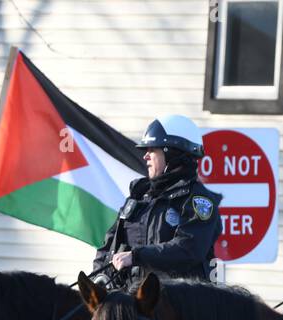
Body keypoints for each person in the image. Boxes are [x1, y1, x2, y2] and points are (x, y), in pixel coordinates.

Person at [93, 114, 221, 290]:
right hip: (133, 301)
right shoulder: (139, 195)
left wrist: (137, 256)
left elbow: (189, 248)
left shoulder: (198, 200)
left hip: (178, 305)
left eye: (152, 150)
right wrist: (100, 277)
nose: (145, 156)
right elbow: (109, 245)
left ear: (173, 154)